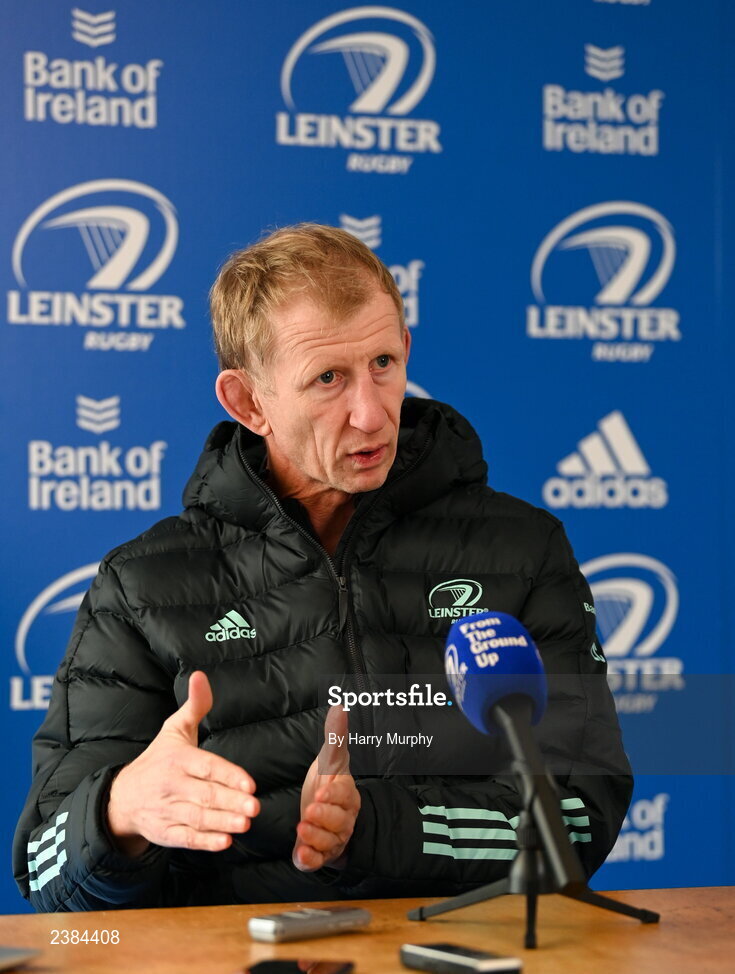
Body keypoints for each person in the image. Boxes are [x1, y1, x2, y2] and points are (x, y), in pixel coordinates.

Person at [13, 224, 631, 911]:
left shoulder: (522, 549)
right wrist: (119, 813)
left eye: (383, 364)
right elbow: (46, 878)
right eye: (327, 378)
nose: (369, 415)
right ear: (248, 402)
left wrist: (371, 827)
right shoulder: (140, 587)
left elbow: (579, 814)